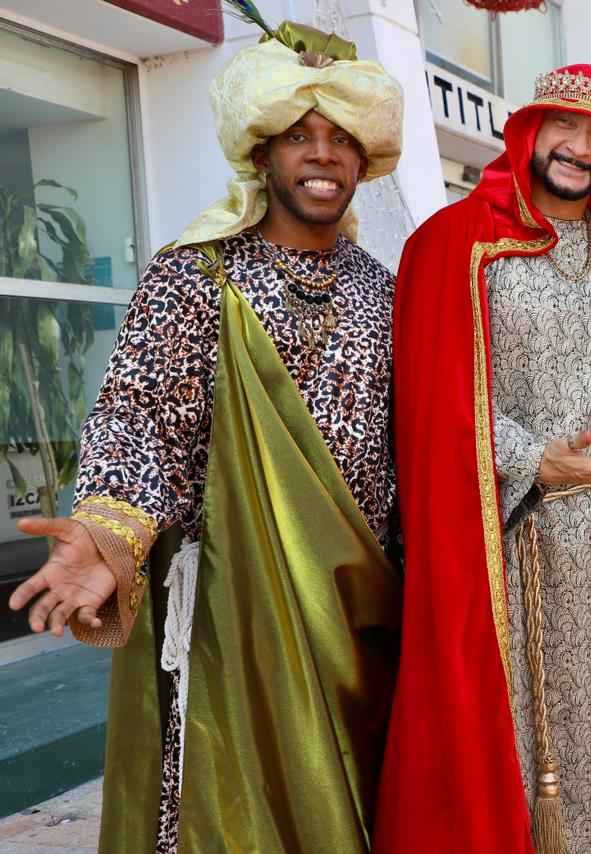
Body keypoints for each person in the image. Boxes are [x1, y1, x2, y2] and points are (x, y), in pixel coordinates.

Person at [6, 18, 404, 854]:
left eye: (340, 139)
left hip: (364, 612)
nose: (322, 155)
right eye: (299, 136)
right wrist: (109, 529)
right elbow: (141, 417)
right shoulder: (196, 273)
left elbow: (422, 437)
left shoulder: (384, 289)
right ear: (261, 154)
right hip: (239, 604)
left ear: (363, 162)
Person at [378, 64, 591, 854]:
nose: (580, 147)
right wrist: (532, 458)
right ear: (530, 131)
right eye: (567, 126)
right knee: (513, 742)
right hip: (503, 537)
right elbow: (434, 392)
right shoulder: (457, 243)